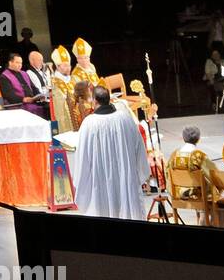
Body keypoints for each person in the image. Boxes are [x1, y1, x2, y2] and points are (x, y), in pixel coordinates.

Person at [72, 85, 149, 220]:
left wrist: (81, 180)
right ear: (109, 99)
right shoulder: (125, 118)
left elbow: (82, 156)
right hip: (126, 177)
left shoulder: (89, 123)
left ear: (94, 101)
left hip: (100, 181)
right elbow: (139, 146)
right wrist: (140, 172)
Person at [0, 53, 46, 119]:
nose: (20, 65)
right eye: (17, 62)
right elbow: (9, 95)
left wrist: (40, 95)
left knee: (47, 106)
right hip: (18, 105)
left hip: (31, 102)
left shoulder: (24, 73)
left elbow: (33, 88)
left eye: (21, 63)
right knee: (36, 109)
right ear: (10, 63)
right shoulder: (4, 77)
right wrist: (24, 99)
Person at [49, 46, 78, 133]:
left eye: (69, 65)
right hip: (65, 116)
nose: (68, 68)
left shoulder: (72, 79)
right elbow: (60, 102)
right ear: (57, 66)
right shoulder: (54, 81)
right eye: (65, 65)